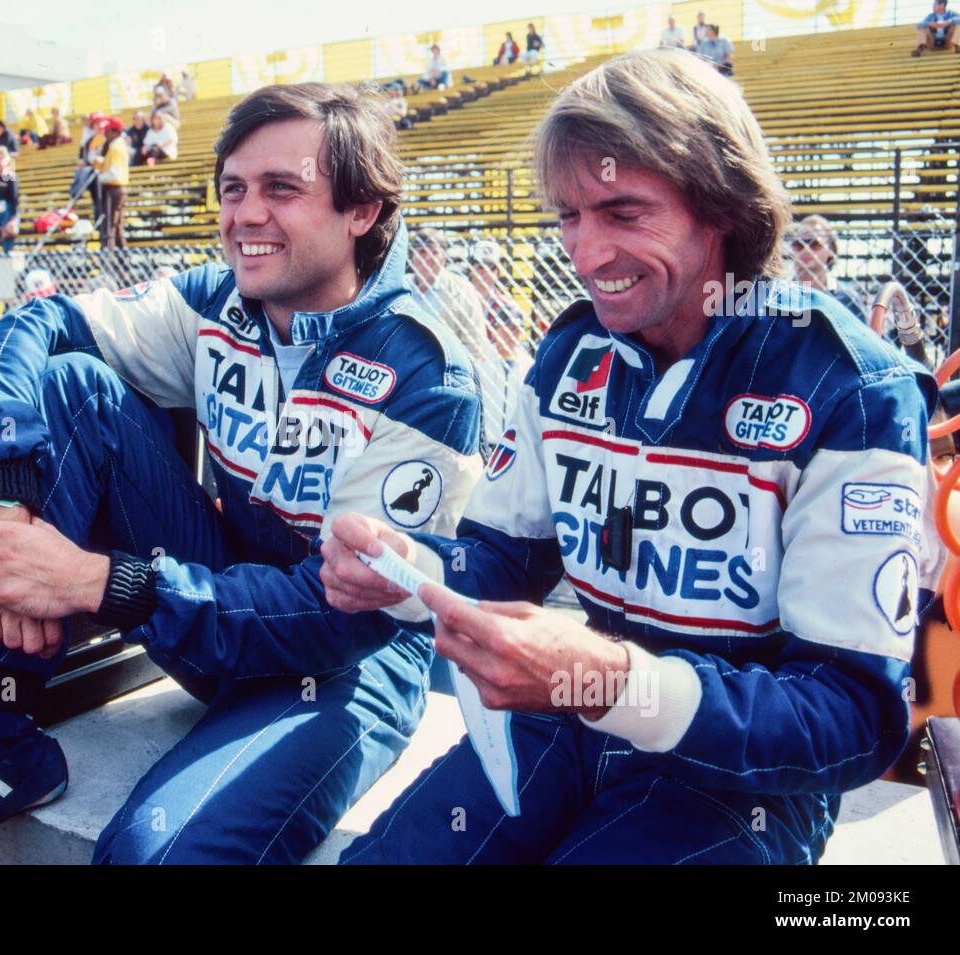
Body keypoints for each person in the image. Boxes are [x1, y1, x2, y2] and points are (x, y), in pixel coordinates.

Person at [321, 49, 942, 866]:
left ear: (722, 207)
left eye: (622, 212)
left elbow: (852, 719)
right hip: (559, 719)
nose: (586, 253)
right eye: (568, 217)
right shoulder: (570, 351)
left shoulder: (850, 386)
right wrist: (406, 569)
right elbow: (501, 558)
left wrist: (614, 681)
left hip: (740, 785)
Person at [0, 81, 484, 866]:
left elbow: (338, 617)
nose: (245, 214)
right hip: (213, 599)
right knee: (68, 387)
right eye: (233, 189)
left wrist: (103, 582)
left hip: (343, 661)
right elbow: (37, 324)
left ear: (361, 211)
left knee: (149, 857)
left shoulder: (425, 371)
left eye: (282, 189)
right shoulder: (217, 299)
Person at [407, 229, 507, 446]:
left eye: (433, 252)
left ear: (443, 255)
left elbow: (474, 344)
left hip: (449, 381)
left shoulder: (461, 290)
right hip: (405, 380)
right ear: (412, 257)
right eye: (420, 252)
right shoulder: (402, 287)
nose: (426, 259)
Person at [789, 214, 867, 322]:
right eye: (799, 244)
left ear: (830, 251)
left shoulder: (846, 299)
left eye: (814, 244)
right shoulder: (779, 296)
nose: (806, 249)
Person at [94, 117, 130, 247]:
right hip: (118, 189)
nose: (105, 133)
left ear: (115, 132)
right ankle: (121, 259)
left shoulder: (115, 147)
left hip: (113, 189)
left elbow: (114, 174)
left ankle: (109, 258)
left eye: (107, 131)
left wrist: (99, 177)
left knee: (109, 226)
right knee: (117, 225)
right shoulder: (117, 146)